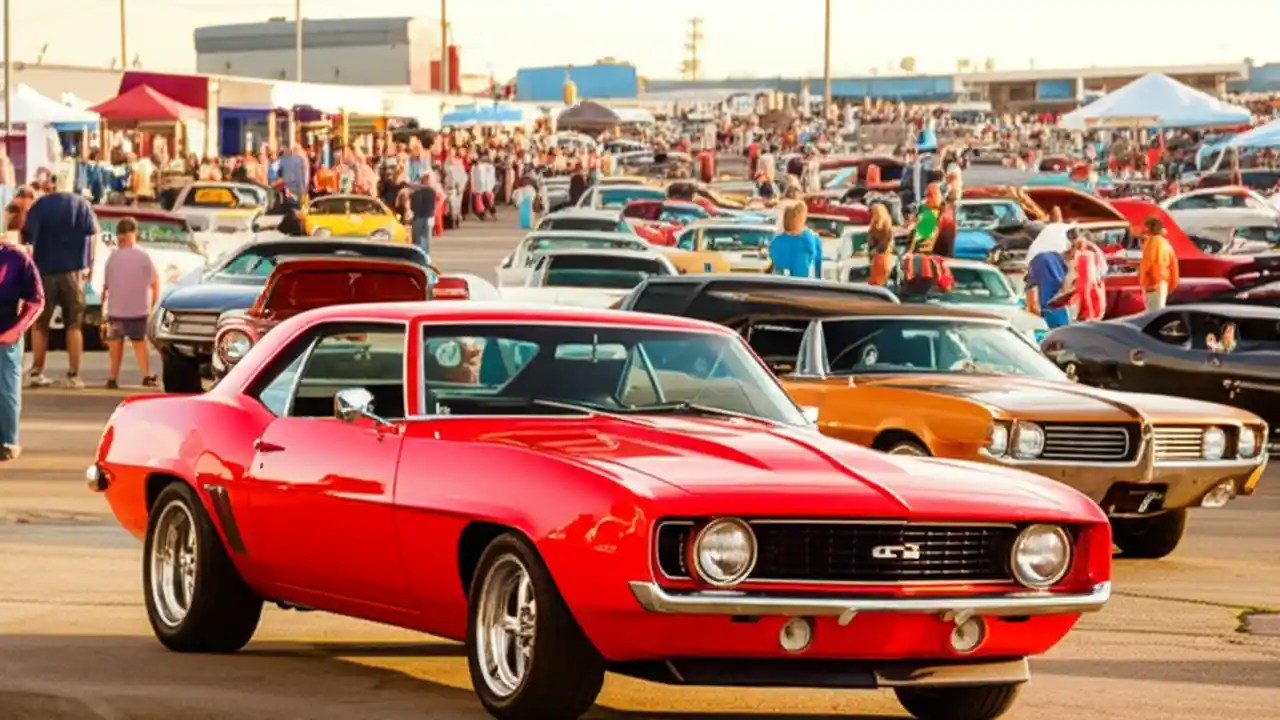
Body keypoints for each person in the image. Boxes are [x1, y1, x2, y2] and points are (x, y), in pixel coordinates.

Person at [21, 191, 97, 389]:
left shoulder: (40, 205)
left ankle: (37, 371)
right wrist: (89, 264)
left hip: (44, 270)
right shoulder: (82, 205)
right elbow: (92, 233)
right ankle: (73, 375)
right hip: (73, 271)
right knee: (74, 324)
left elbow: (28, 236)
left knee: (40, 324)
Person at [0, 226, 44, 460]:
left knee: (6, 388)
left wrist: (17, 329)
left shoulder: (16, 257)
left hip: (6, 333)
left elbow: (36, 300)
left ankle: (8, 440)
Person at [101, 217, 159, 389]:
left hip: (116, 309)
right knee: (139, 343)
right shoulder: (143, 256)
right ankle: (146, 375)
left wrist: (104, 307)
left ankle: (112, 377)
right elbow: (155, 283)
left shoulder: (112, 257)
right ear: (134, 233)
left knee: (115, 344)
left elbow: (106, 286)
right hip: (138, 309)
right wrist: (153, 305)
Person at [1025, 240, 1073, 329]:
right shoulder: (1060, 274)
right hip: (1062, 317)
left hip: (1044, 320)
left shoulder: (1036, 270)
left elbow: (1033, 306)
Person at [768, 202, 822, 278]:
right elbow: (817, 265)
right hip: (803, 282)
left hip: (780, 282)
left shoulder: (776, 240)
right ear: (803, 219)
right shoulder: (810, 238)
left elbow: (773, 259)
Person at [1139, 216, 1179, 311]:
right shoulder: (1164, 242)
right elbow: (1173, 264)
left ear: (1150, 228)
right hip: (1161, 282)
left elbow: (1150, 263)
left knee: (1152, 314)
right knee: (1158, 311)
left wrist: (1148, 282)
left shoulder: (1153, 242)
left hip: (1153, 284)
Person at [866, 203, 896, 287]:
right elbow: (870, 235)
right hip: (875, 257)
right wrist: (870, 242)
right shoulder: (874, 222)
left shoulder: (887, 223)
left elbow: (887, 240)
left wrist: (877, 250)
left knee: (881, 279)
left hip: (884, 255)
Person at [910, 182, 943, 254]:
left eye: (930, 196)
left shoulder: (932, 216)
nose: (926, 200)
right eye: (926, 196)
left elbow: (918, 241)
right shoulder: (926, 212)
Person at [408, 180, 438, 257]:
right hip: (429, 216)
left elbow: (413, 206)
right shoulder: (432, 192)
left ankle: (418, 254)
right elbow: (433, 205)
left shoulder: (416, 193)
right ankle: (426, 254)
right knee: (426, 237)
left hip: (418, 217)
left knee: (417, 237)